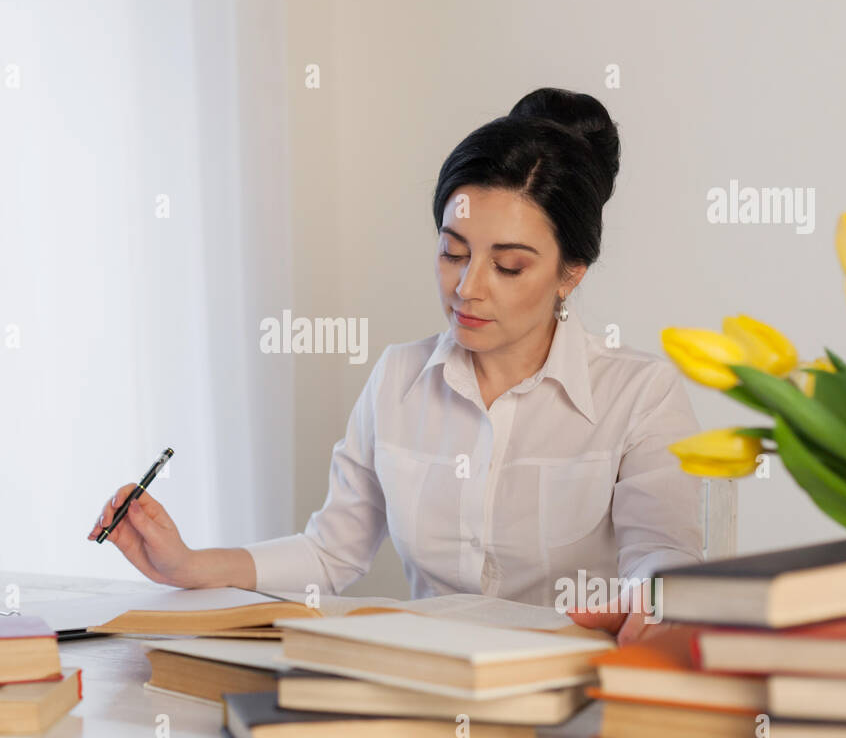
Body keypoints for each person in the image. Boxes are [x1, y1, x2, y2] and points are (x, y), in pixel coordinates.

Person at [90, 87, 704, 644]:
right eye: (453, 253)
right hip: (426, 687)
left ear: (571, 273)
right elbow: (330, 553)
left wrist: (657, 598)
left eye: (508, 266)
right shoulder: (397, 381)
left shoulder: (639, 394)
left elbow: (662, 554)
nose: (468, 288)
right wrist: (189, 564)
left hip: (572, 691)